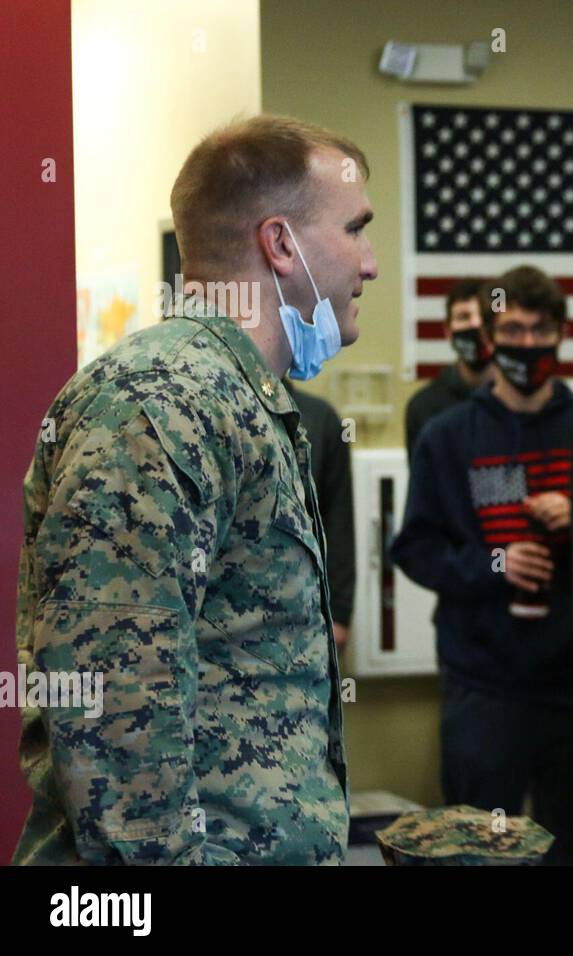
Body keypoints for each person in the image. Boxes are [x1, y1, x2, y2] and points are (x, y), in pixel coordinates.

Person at [13, 114, 377, 864]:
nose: (369, 264)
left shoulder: (243, 399)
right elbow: (113, 705)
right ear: (281, 244)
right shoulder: (161, 401)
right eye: (356, 229)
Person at [391, 266, 573, 865]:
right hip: (483, 684)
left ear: (559, 334)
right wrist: (495, 564)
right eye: (512, 329)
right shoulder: (449, 436)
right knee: (480, 849)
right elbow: (415, 549)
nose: (526, 345)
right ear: (488, 334)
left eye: (540, 330)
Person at [285, 382, 356, 648]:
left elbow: (339, 523)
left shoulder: (318, 418)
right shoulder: (223, 408)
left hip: (305, 609)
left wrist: (340, 612)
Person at [404, 278, 491, 458]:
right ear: (448, 332)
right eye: (464, 317)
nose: (475, 324)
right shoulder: (423, 407)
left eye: (484, 315)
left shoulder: (520, 400)